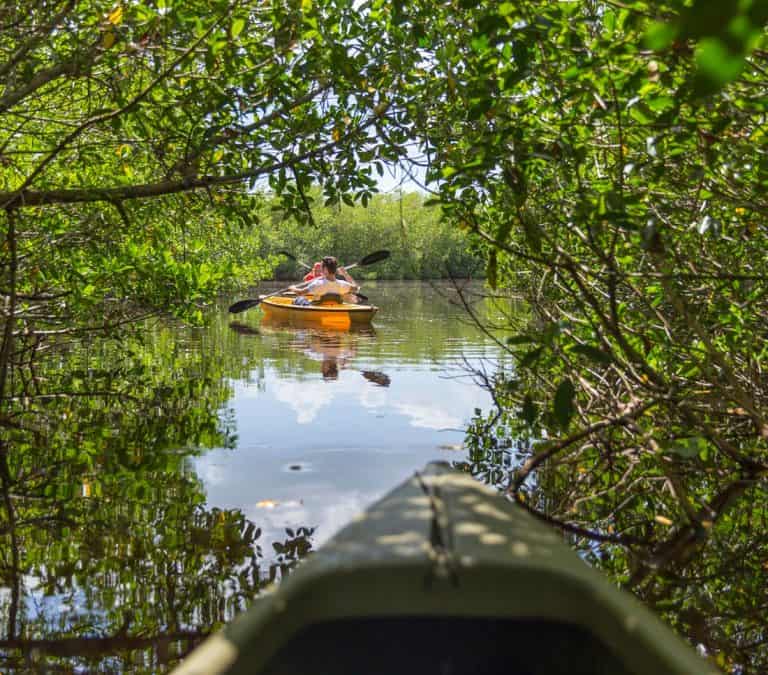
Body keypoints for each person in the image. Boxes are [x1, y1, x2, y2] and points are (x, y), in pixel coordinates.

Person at [289, 256, 358, 305]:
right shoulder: (343, 284)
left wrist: (292, 288)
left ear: (325, 269)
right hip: (334, 308)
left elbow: (300, 293)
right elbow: (356, 288)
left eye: (321, 267)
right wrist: (345, 274)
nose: (320, 269)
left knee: (299, 299)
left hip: (317, 308)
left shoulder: (317, 284)